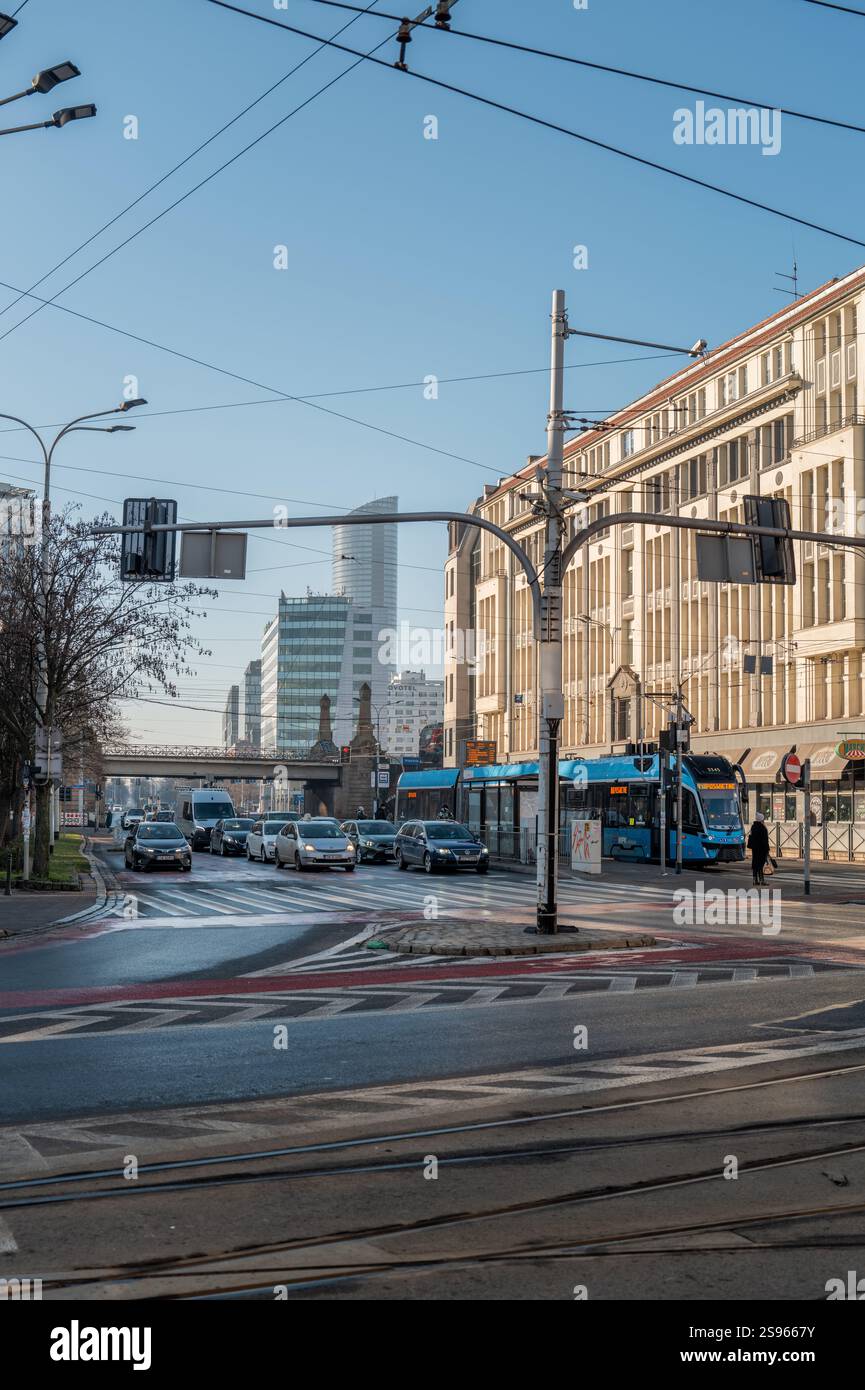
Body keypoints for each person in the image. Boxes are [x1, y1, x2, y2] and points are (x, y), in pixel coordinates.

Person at [747, 810, 770, 886]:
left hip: (755, 849)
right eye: (763, 819)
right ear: (761, 820)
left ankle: (754, 880)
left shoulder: (753, 827)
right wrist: (767, 850)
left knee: (755, 864)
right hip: (762, 849)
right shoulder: (763, 828)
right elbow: (765, 841)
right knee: (760, 865)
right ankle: (761, 880)